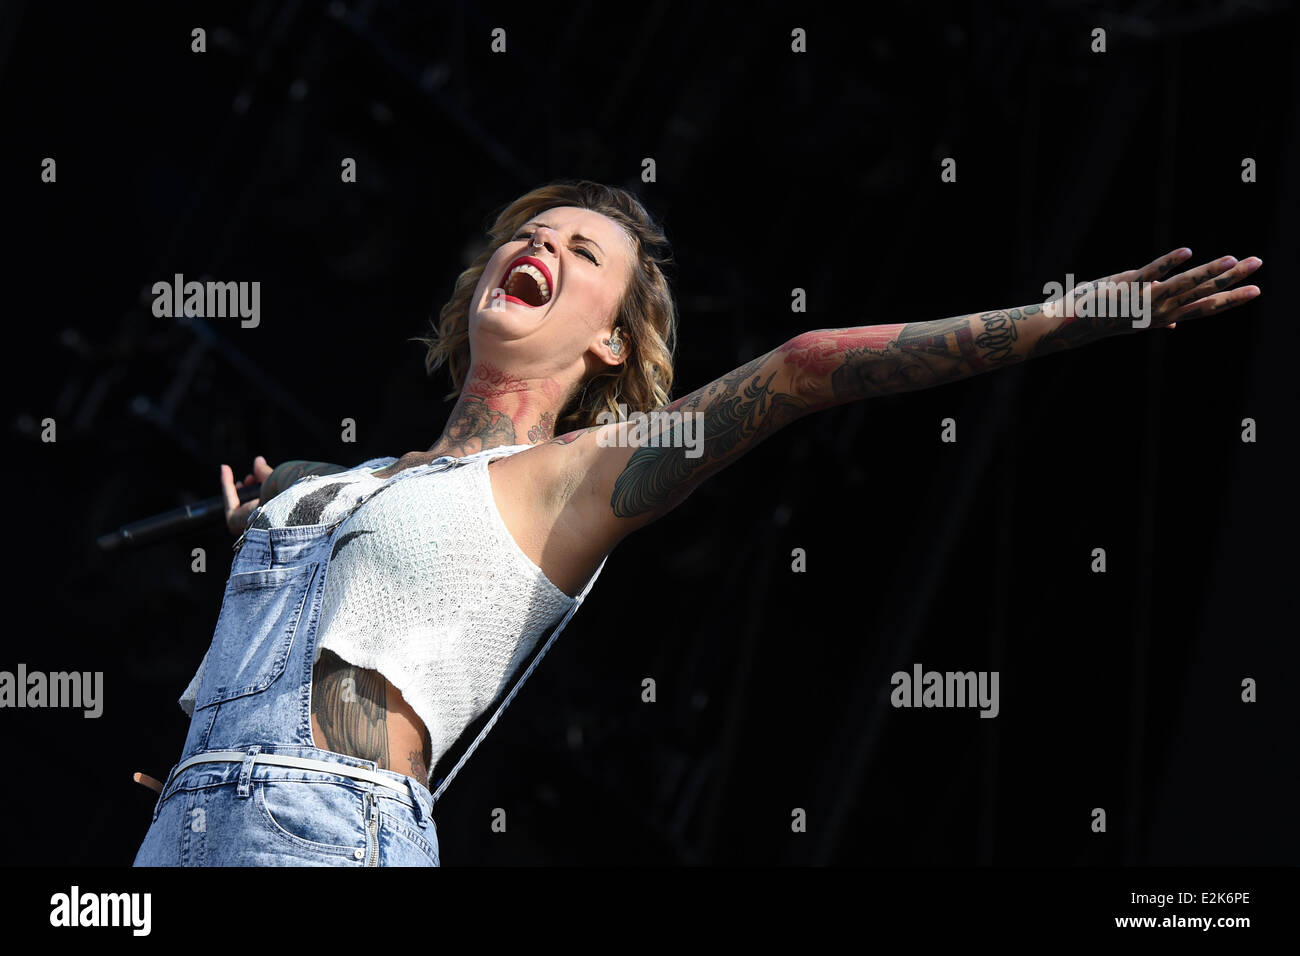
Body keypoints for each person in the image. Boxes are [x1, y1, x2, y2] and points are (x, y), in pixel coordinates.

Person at [132, 179, 1262, 866]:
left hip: (329, 830)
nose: (542, 249)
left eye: (583, 253)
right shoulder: (347, 481)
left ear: (611, 343)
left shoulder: (575, 475)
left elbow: (808, 367)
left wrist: (1075, 313)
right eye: (532, 235)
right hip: (183, 826)